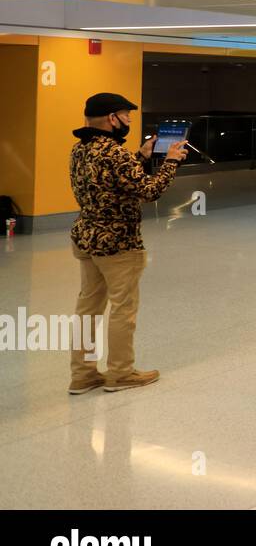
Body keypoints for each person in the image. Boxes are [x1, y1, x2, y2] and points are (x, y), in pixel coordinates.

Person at [67, 92, 187, 395]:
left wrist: (143, 156)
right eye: (127, 115)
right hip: (119, 243)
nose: (130, 121)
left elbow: (109, 179)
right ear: (112, 119)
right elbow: (148, 190)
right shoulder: (115, 153)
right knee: (123, 308)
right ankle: (120, 373)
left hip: (86, 237)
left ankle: (82, 375)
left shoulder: (80, 149)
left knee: (88, 308)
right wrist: (170, 162)